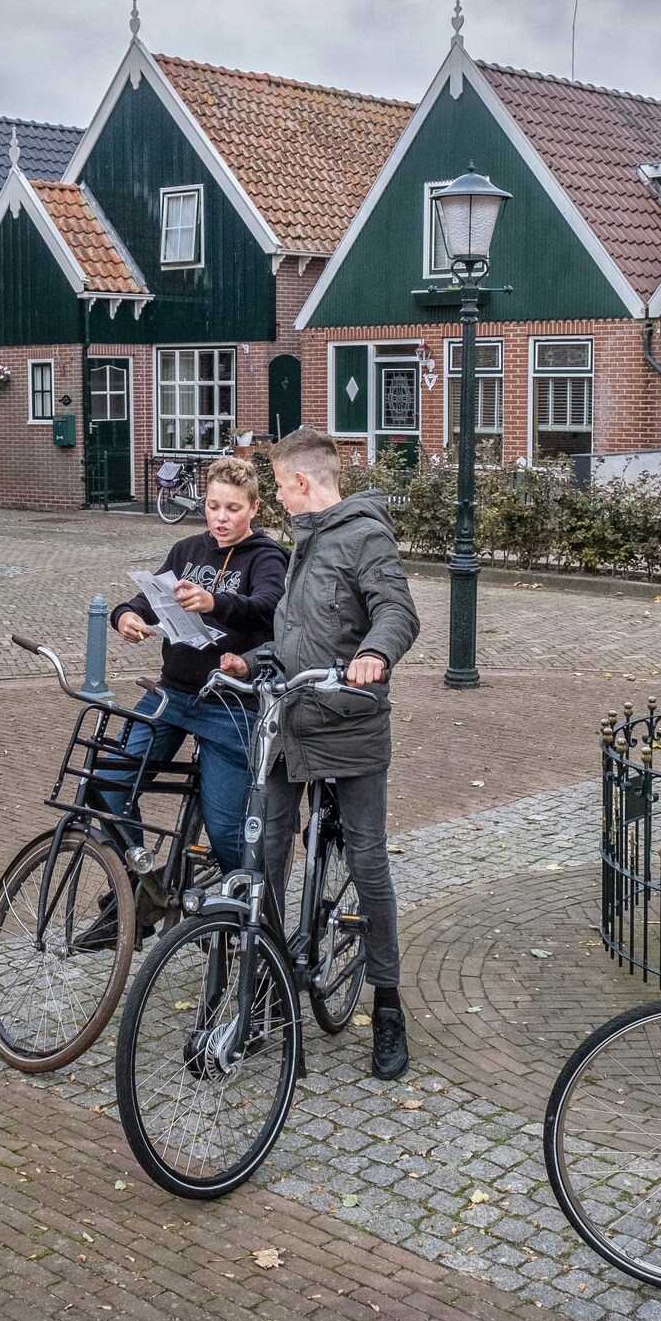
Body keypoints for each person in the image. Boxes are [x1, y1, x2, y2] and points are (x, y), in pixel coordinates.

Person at [222, 427, 420, 1081]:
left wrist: (374, 653)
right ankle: (266, 988)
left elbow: (397, 612)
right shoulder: (302, 545)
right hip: (288, 724)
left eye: (279, 486)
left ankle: (387, 1005)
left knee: (367, 860)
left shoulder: (365, 537)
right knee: (265, 857)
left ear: (302, 482)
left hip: (349, 724)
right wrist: (248, 659)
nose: (277, 498)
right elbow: (296, 637)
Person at [100, 454, 288, 876]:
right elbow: (148, 598)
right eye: (213, 506)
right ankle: (138, 887)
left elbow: (269, 606)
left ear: (254, 508)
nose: (221, 518)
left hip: (230, 706)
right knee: (109, 787)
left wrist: (214, 602)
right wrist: (125, 616)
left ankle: (246, 904)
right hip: (172, 694)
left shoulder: (267, 557)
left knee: (225, 830)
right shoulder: (186, 550)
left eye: (233, 508)